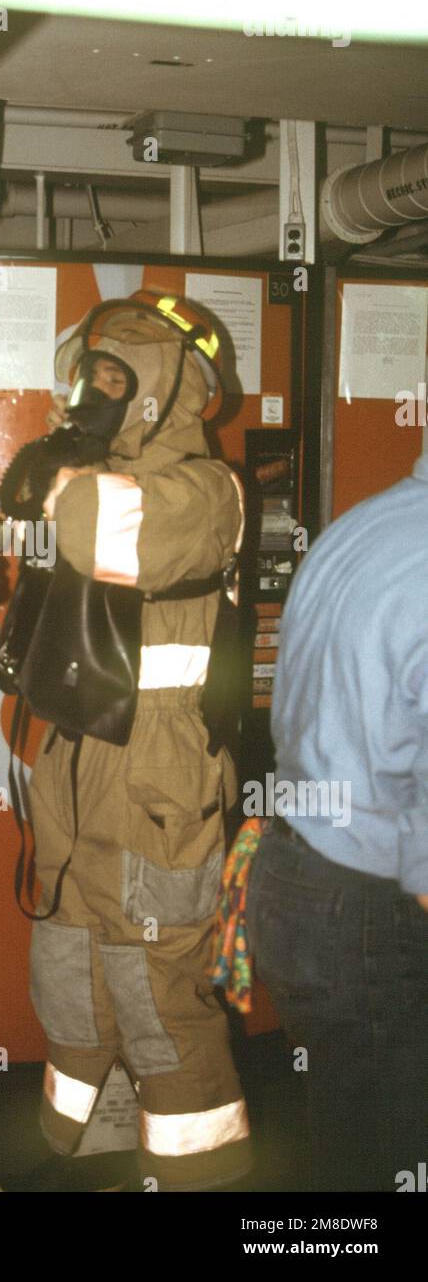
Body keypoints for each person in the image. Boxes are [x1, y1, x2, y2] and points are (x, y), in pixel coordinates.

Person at [0, 292, 252, 1192]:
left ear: (162, 388)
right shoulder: (94, 470)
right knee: (70, 964)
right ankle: (73, 1162)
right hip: (76, 759)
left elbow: (104, 530)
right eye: (86, 374)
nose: (84, 392)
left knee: (156, 991)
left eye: (109, 373)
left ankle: (200, 1179)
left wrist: (60, 462)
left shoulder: (206, 492)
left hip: (157, 777)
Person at [246, 449, 428, 1193]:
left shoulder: (362, 524)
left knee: (350, 1143)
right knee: (393, 1157)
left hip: (293, 877)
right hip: (366, 909)